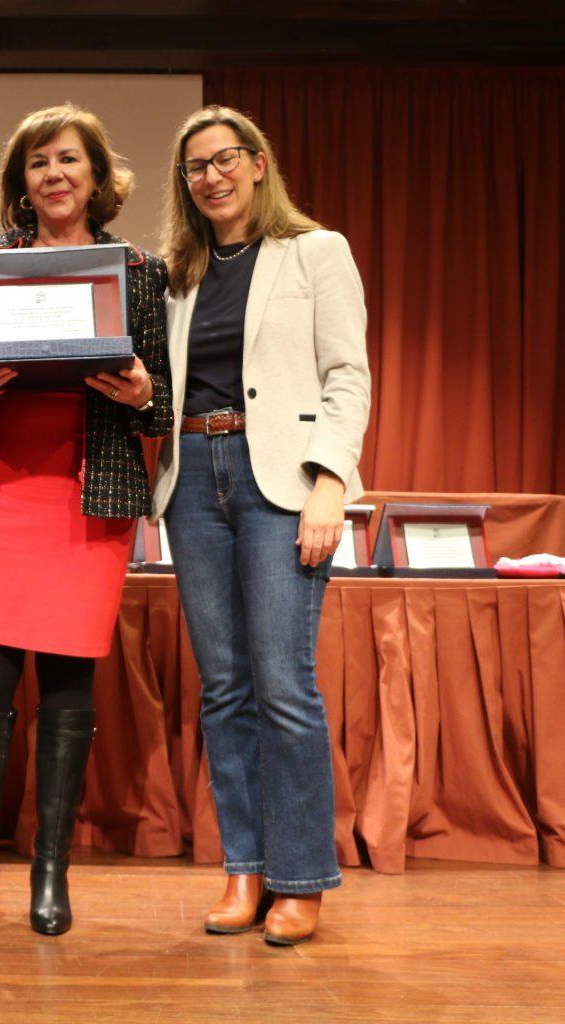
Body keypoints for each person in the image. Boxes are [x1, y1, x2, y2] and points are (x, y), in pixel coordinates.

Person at [0, 103, 172, 937]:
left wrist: (144, 393)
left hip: (87, 494)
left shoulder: (137, 270)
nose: (54, 174)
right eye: (38, 163)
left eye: (68, 159)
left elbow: (162, 399)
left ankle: (51, 871)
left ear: (97, 176)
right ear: (21, 183)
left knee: (67, 678)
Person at [153, 105, 371, 946]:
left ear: (258, 164)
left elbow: (347, 376)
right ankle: (243, 868)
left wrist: (329, 485)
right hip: (192, 482)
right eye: (195, 166)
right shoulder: (177, 275)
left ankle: (300, 877)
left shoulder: (317, 252)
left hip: (279, 480)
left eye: (224, 159)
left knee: (283, 684)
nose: (210, 176)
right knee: (225, 688)